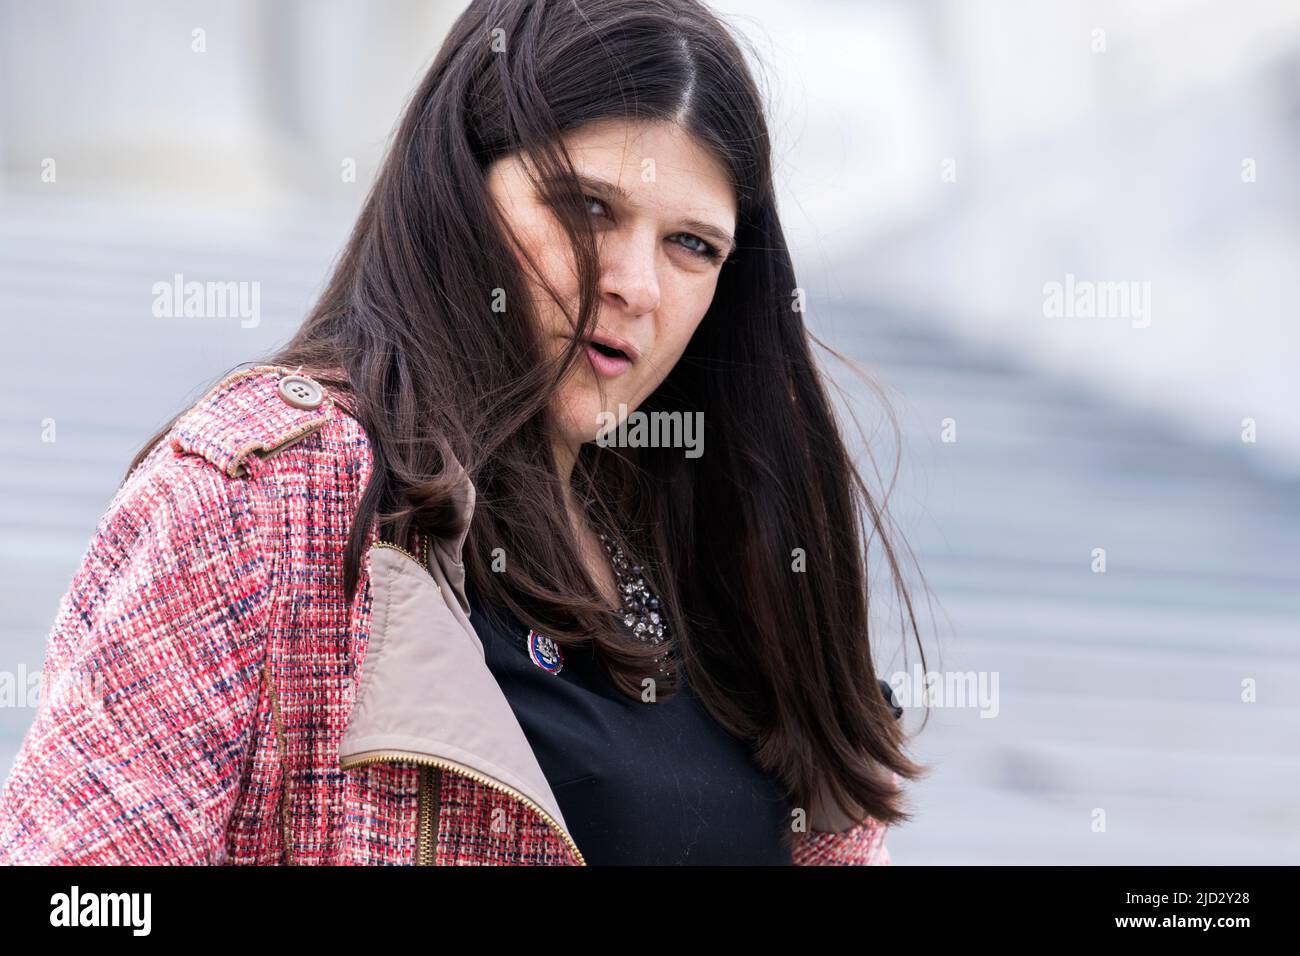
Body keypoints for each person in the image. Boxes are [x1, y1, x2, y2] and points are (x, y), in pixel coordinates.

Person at [0, 0, 926, 865]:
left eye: (693, 245)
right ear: (459, 186)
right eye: (587, 207)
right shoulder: (271, 495)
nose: (636, 285)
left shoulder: (721, 539)